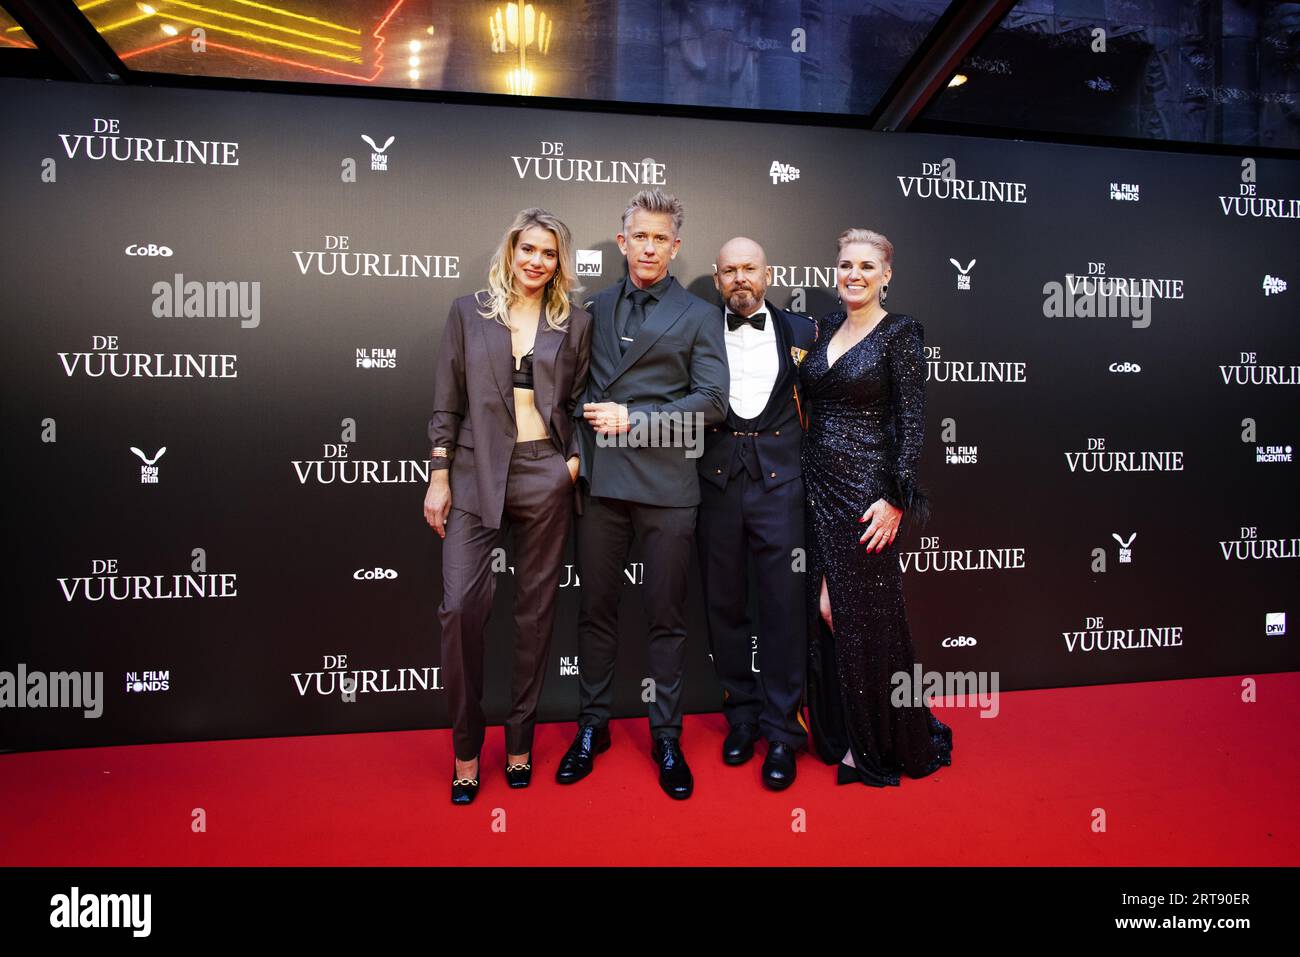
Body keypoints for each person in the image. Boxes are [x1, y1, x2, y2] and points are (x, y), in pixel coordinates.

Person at [556, 188, 728, 800]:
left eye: (661, 237)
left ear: (675, 246)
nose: (649, 246)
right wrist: (575, 451)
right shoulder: (592, 308)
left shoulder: (700, 314)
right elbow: (571, 395)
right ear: (622, 240)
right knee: (596, 612)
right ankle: (592, 727)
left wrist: (635, 420)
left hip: (668, 486)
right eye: (639, 235)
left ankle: (666, 736)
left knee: (666, 618)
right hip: (603, 486)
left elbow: (712, 406)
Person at [424, 208, 592, 805]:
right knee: (461, 609)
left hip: (544, 472)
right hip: (473, 473)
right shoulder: (469, 312)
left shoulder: (574, 321)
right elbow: (447, 400)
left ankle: (519, 740)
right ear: (511, 251)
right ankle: (466, 750)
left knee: (535, 614)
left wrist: (570, 465)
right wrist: (439, 476)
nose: (537, 261)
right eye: (528, 250)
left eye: (548, 253)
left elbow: (581, 401)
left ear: (558, 262)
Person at [799, 227, 953, 787]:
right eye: (845, 265)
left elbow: (912, 423)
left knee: (862, 615)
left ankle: (881, 741)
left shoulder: (900, 334)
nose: (854, 275)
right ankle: (842, 731)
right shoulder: (824, 334)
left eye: (867, 266)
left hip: (866, 495)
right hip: (815, 487)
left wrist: (895, 499)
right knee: (824, 609)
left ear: (887, 274)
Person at [696, 237, 815, 790]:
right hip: (716, 485)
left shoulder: (804, 331)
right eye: (728, 271)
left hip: (781, 488)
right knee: (724, 606)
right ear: (717, 278)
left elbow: (823, 411)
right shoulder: (697, 329)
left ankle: (783, 732)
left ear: (767, 273)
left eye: (748, 268)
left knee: (785, 609)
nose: (739, 278)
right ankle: (740, 718)